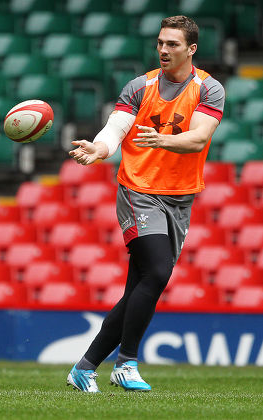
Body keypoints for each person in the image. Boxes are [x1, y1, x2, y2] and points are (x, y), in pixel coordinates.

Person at [67, 15, 225, 393]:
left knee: (140, 286)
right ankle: (124, 363)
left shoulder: (209, 89)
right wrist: (100, 148)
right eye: (160, 43)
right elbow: (116, 129)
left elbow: (198, 139)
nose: (164, 50)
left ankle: (92, 366)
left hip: (181, 197)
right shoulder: (140, 87)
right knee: (156, 273)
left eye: (172, 44)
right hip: (138, 190)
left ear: (191, 49)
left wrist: (162, 141)